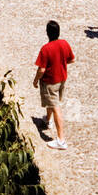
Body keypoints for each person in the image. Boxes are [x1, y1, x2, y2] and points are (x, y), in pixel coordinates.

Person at [33, 20, 76, 151]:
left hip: (50, 82)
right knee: (52, 102)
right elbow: (72, 59)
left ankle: (61, 140)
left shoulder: (45, 49)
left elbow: (41, 69)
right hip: (62, 79)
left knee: (55, 106)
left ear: (47, 33)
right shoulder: (64, 43)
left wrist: (35, 81)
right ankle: (47, 120)